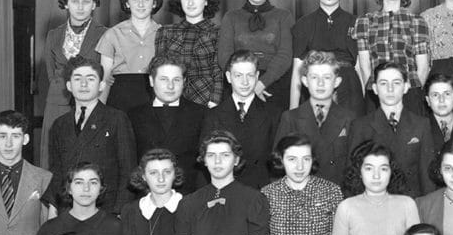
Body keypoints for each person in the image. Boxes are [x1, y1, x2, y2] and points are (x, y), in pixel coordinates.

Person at [172, 131, 269, 235]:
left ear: (236, 160)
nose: (217, 162)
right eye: (211, 155)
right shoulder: (189, 203)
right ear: (204, 160)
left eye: (225, 155)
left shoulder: (254, 199)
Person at [45, 55, 138, 215]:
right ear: (68, 85)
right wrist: (53, 208)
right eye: (77, 79)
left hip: (106, 211)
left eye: (90, 79)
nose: (83, 84)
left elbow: (128, 169)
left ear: (101, 85)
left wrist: (120, 212)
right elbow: (56, 171)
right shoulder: (59, 124)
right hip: (69, 211)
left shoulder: (116, 119)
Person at [261, 135, 343, 235]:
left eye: (306, 159)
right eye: (292, 159)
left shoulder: (331, 191)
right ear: (280, 160)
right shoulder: (267, 194)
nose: (299, 166)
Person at [41, 0, 107, 168]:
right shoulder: (53, 35)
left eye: (85, 2)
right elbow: (51, 73)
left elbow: (106, 74)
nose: (80, 7)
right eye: (75, 1)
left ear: (93, 5)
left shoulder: (105, 34)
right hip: (57, 102)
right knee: (54, 156)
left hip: (91, 102)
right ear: (66, 4)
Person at [217, 0, 294, 115]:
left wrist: (260, 84)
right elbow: (224, 56)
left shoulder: (284, 16)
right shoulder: (231, 17)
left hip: (273, 84)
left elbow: (285, 55)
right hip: (238, 83)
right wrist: (244, 83)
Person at [351, 0, 430, 112]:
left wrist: (408, 92)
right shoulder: (364, 22)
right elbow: (365, 66)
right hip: (375, 94)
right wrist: (374, 90)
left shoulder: (417, 22)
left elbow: (423, 68)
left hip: (410, 93)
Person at [348, 61, 435, 198]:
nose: (390, 89)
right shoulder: (360, 126)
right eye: (383, 83)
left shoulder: (421, 124)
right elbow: (354, 178)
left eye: (396, 83)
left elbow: (427, 178)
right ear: (375, 88)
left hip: (411, 204)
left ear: (406, 87)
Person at [289, 0, 365, 116]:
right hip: (314, 86)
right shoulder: (303, 24)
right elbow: (297, 71)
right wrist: (293, 111)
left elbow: (360, 68)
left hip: (349, 89)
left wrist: (363, 106)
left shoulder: (356, 22)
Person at [275, 50, 356, 187]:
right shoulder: (290, 118)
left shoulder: (349, 119)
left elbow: (354, 169)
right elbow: (277, 167)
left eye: (326, 78)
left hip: (338, 197)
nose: (320, 83)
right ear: (305, 81)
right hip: (300, 198)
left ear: (337, 82)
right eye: (314, 77)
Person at [127, 55, 206, 194]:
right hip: (145, 197)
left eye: (176, 80)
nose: (170, 86)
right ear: (151, 80)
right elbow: (129, 164)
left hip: (189, 197)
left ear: (184, 82)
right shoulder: (133, 115)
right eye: (164, 79)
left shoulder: (201, 114)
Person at [202, 49, 279, 190]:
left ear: (257, 76)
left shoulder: (273, 114)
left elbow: (276, 164)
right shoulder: (213, 115)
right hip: (224, 191)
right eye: (238, 76)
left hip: (260, 191)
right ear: (228, 77)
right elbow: (205, 163)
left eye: (249, 75)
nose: (244, 82)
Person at [154, 0, 223, 109]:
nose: (190, 3)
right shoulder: (165, 32)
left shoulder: (218, 32)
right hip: (171, 99)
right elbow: (159, 70)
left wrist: (214, 101)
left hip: (206, 101)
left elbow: (218, 71)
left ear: (206, 1)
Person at [97, 0, 163, 111]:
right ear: (127, 3)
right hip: (120, 97)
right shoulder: (112, 34)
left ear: (154, 3)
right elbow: (105, 78)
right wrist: (99, 112)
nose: (140, 4)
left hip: (154, 96)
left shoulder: (164, 34)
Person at [119, 148, 183, 235]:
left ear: (175, 174)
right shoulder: (130, 211)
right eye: (153, 173)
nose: (161, 179)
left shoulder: (190, 207)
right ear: (143, 176)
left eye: (167, 172)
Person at [423, 72, 453, 158]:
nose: (441, 100)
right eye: (435, 95)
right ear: (428, 100)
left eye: (447, 94)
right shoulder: (420, 128)